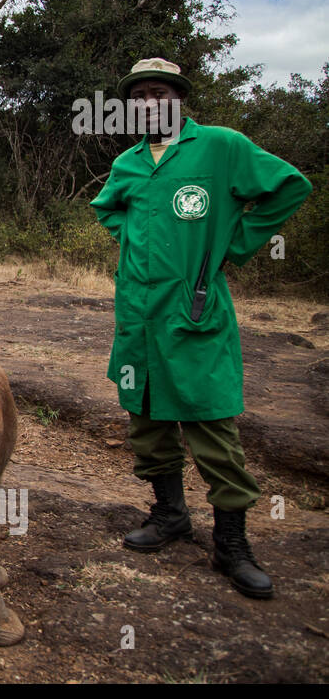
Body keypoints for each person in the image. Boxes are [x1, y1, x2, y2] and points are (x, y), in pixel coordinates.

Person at [90, 57, 310, 599]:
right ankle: (169, 515)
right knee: (144, 420)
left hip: (195, 309)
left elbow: (289, 186)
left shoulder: (221, 147)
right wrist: (131, 237)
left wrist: (236, 244)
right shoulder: (130, 163)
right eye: (137, 95)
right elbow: (106, 208)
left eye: (159, 92)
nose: (147, 103)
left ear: (178, 98)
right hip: (137, 315)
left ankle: (232, 545)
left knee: (211, 425)